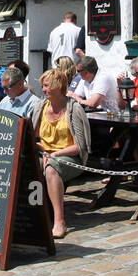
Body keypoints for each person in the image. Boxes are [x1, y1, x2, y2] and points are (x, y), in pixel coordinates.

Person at [27, 68, 91, 239]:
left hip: (69, 157)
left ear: (58, 86)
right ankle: (27, 215)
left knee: (51, 168)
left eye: (47, 86)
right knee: (24, 166)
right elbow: (32, 138)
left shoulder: (73, 109)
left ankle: (59, 220)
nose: (43, 89)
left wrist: (54, 155)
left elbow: (81, 146)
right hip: (45, 154)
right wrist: (42, 149)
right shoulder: (40, 107)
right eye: (43, 86)